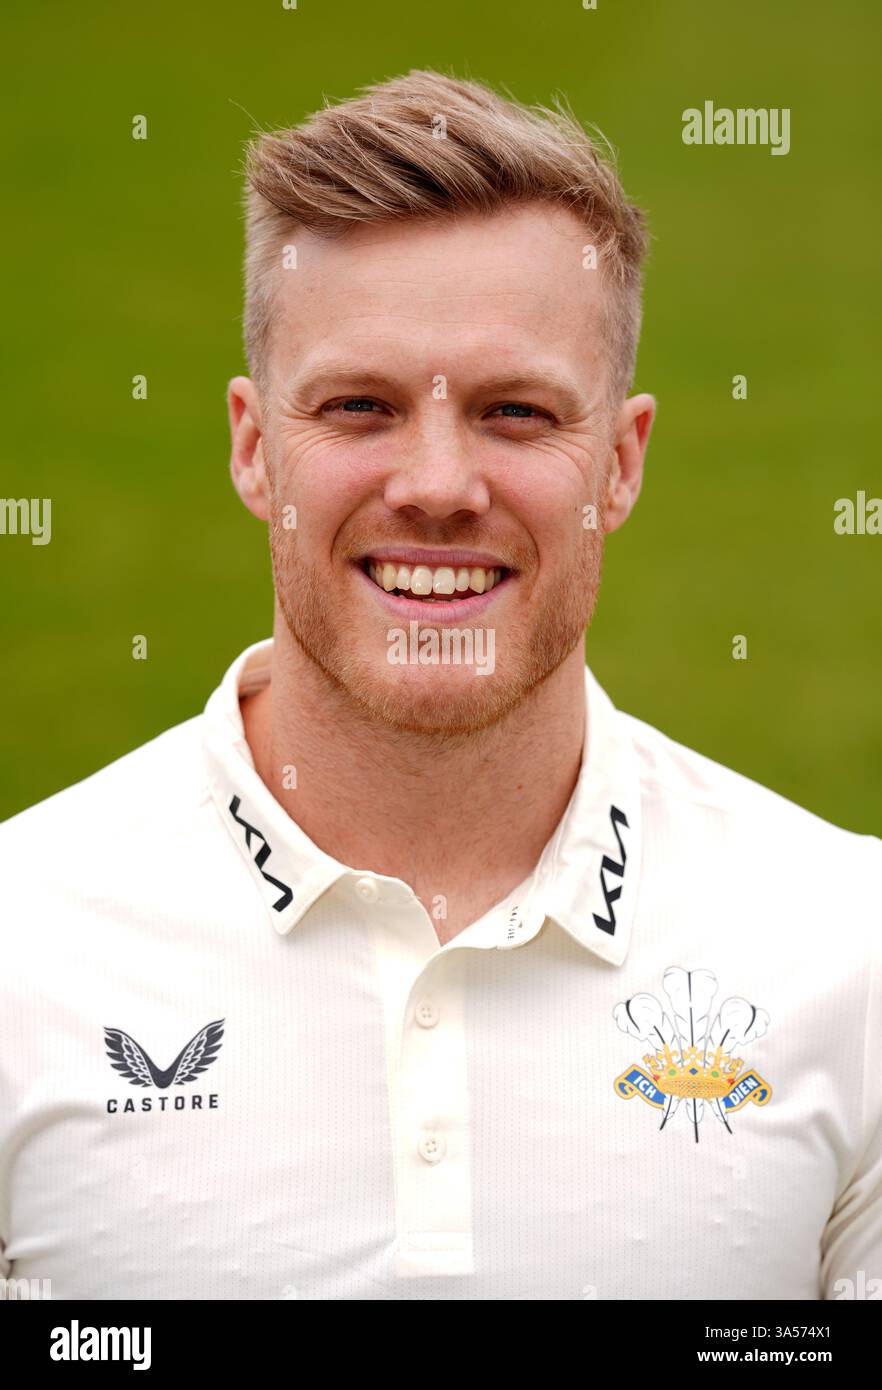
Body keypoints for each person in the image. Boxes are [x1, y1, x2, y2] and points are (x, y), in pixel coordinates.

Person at [1, 69, 879, 1302]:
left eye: (516, 413)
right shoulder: (20, 942)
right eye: (358, 405)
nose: (436, 483)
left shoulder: (849, 948)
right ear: (255, 447)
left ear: (620, 464)